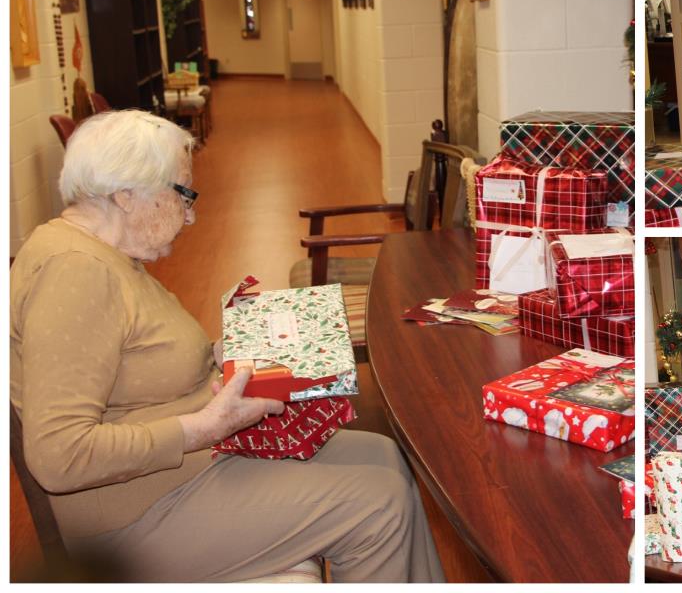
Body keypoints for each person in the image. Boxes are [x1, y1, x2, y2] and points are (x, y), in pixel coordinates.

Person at [10, 110, 445, 583]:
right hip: (135, 517)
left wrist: (224, 352)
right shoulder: (76, 272)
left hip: (180, 475)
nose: (192, 214)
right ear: (126, 194)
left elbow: (132, 361)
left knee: (384, 458)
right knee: (378, 507)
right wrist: (202, 428)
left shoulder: (105, 254)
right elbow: (59, 455)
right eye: (183, 194)